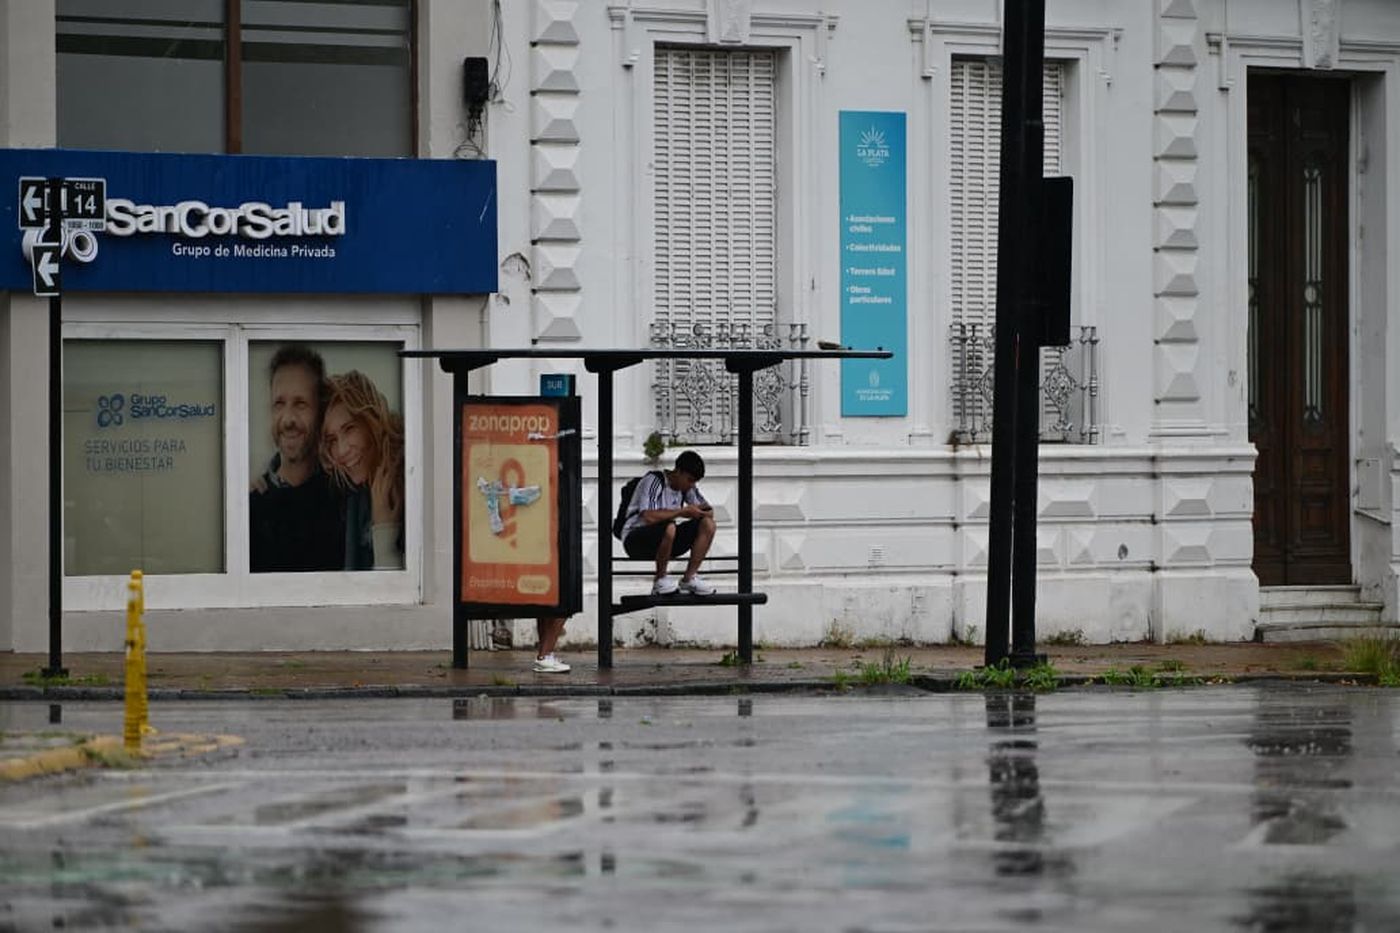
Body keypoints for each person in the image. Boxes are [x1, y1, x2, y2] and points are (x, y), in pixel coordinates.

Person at [249, 345, 344, 572]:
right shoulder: (251, 504)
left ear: (320, 412)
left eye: (300, 404)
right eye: (279, 404)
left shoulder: (344, 500)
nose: (288, 419)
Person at [320, 370, 405, 570]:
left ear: (370, 423)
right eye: (332, 440)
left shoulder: (406, 482)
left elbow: (391, 593)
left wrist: (384, 528)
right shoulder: (354, 493)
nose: (341, 450)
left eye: (349, 429)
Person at [618, 449, 717, 596]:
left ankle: (689, 578)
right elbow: (648, 517)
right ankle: (660, 580)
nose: (691, 485)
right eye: (689, 480)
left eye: (694, 482)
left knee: (708, 524)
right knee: (669, 527)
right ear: (678, 472)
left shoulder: (687, 488)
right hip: (636, 538)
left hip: (665, 541)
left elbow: (708, 511)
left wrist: (698, 512)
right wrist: (682, 512)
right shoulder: (655, 481)